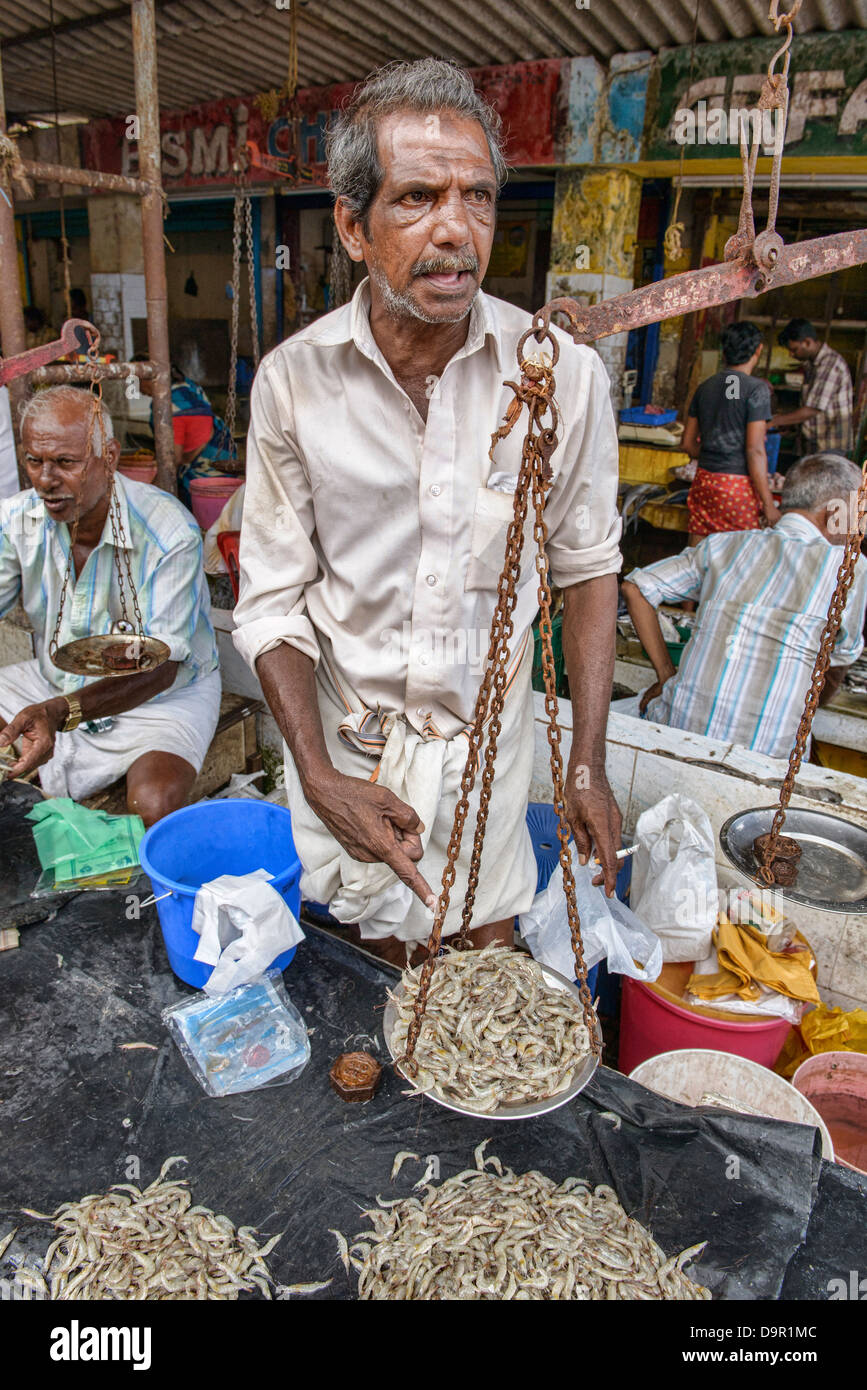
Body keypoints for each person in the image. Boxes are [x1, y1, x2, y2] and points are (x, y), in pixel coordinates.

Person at [232, 59, 623, 963]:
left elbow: (589, 567)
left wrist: (587, 763)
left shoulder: (560, 374)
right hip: (348, 735)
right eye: (415, 198)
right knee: (367, 945)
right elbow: (270, 603)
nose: (455, 230)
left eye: (476, 197)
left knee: (486, 945)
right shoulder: (294, 382)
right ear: (353, 226)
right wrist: (318, 774)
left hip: (489, 743)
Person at [0, 386, 221, 824]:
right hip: (50, 683)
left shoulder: (168, 533)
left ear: (110, 457)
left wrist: (60, 712)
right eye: (34, 461)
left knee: (153, 804)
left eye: (65, 462)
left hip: (161, 701)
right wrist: (51, 706)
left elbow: (161, 669)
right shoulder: (18, 519)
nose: (45, 479)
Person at [621, 453, 866, 761]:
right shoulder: (849, 568)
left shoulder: (721, 545)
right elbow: (837, 664)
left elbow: (635, 587)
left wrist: (666, 674)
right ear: (833, 512)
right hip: (770, 758)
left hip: (675, 731)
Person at [682, 321, 778, 545]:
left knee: (698, 553)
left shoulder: (704, 387)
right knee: (739, 557)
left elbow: (687, 444)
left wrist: (712, 455)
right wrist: (768, 504)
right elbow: (754, 450)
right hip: (737, 489)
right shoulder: (757, 389)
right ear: (758, 350)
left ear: (724, 352)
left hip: (704, 480)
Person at [138, 362, 240, 508]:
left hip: (209, 472)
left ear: (150, 379)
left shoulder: (171, 406)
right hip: (220, 457)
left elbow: (174, 460)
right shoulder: (186, 387)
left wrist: (147, 493)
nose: (137, 388)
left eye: (137, 381)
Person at [770, 318, 854, 457]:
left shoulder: (829, 364)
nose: (792, 355)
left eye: (794, 350)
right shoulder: (811, 365)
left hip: (830, 444)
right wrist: (790, 424)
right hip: (817, 441)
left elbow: (812, 409)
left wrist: (774, 421)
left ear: (807, 342)